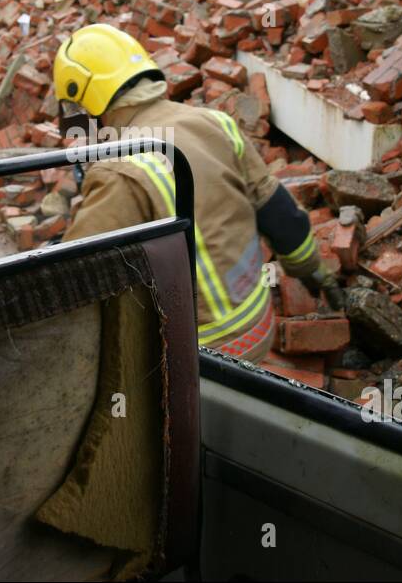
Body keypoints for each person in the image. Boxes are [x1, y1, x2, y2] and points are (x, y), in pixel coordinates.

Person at [57, 23, 344, 360]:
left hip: (204, 356)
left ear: (87, 102)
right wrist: (313, 271)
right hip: (259, 323)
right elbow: (278, 212)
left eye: (75, 114)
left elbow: (75, 279)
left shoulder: (119, 169)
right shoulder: (214, 121)